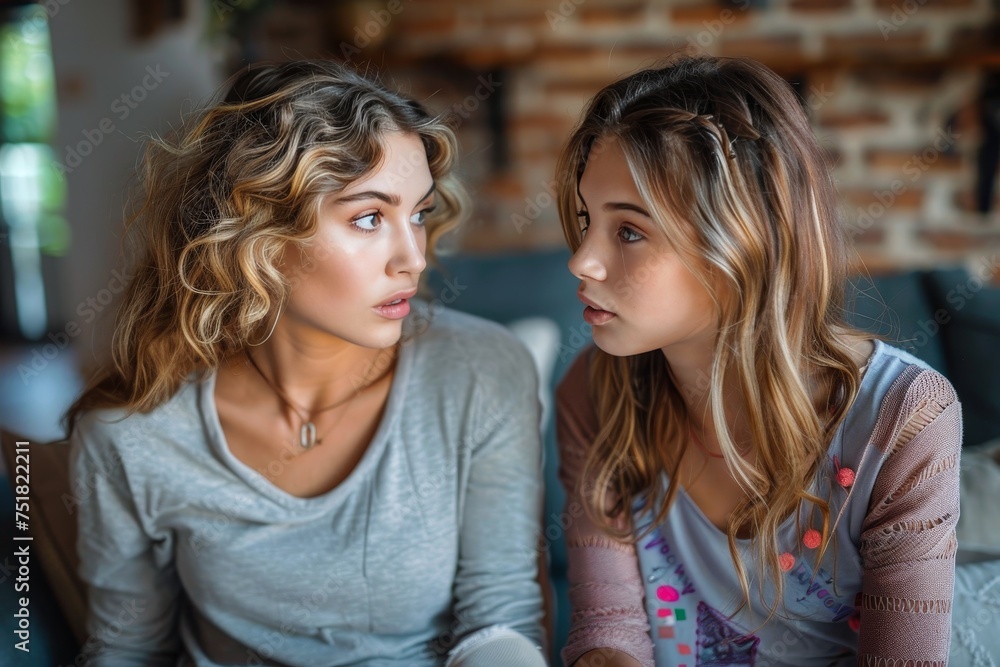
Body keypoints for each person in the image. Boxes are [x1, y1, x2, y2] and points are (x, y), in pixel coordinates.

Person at [66, 60, 547, 666]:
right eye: (369, 217)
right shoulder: (133, 435)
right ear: (257, 237)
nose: (414, 259)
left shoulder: (481, 370)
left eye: (418, 214)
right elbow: (127, 648)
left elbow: (500, 616)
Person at [554, 56, 961, 667]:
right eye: (587, 220)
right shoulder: (594, 389)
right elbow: (607, 629)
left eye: (629, 231)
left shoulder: (904, 416)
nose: (581, 261)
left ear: (743, 241)